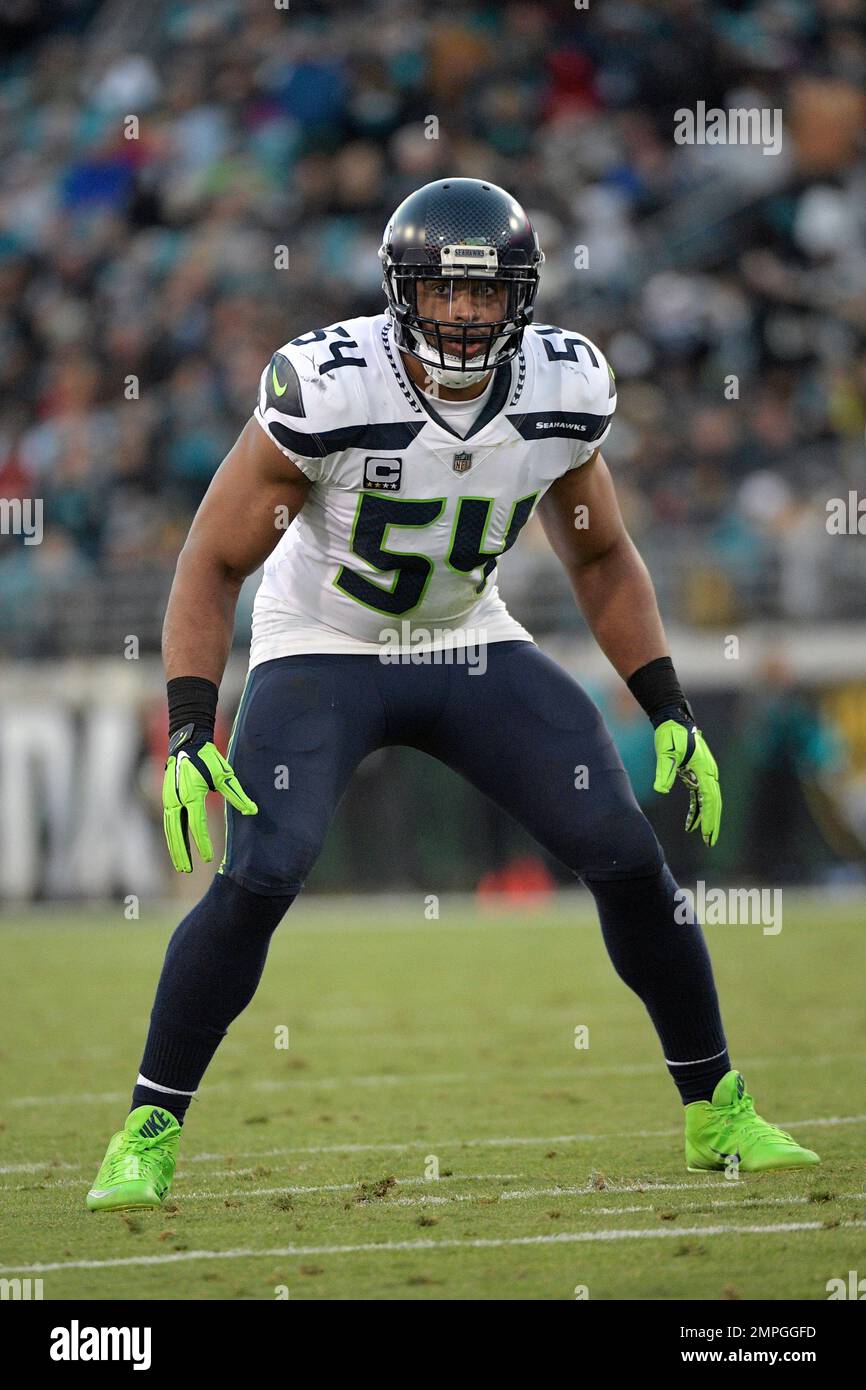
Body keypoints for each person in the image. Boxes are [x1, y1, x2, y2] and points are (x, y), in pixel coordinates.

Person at [86, 178, 818, 1212]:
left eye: (485, 295)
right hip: (323, 647)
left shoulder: (564, 385)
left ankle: (715, 1107)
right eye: (443, 293)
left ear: (520, 298)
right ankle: (147, 1128)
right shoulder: (332, 386)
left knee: (621, 847)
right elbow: (209, 560)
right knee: (260, 873)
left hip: (467, 640)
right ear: (400, 293)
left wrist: (668, 707)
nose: (465, 316)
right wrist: (192, 724)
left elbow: (601, 553)